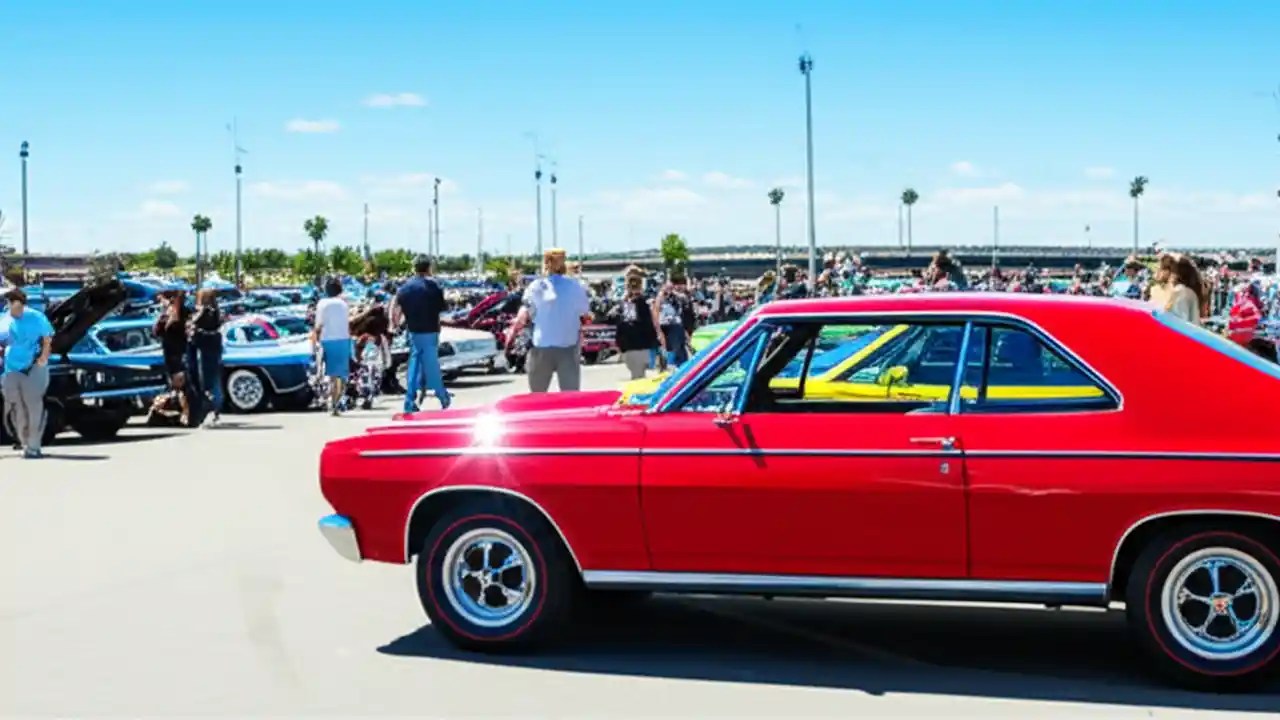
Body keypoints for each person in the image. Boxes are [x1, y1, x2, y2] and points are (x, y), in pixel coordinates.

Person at [507, 248, 591, 392]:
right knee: (570, 397)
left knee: (537, 396)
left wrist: (511, 337)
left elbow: (525, 314)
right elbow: (585, 314)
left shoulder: (536, 287)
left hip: (541, 345)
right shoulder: (575, 287)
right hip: (568, 346)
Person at [392, 255, 450, 412]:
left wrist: (395, 324)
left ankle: (409, 400)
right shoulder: (434, 287)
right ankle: (442, 396)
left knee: (414, 365)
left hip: (413, 331)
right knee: (432, 364)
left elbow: (395, 307)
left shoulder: (405, 288)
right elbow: (442, 309)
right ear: (428, 268)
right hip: (430, 330)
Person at [1, 288, 53, 458]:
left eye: (11, 303)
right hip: (11, 370)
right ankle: (24, 442)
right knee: (17, 408)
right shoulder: (5, 319)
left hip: (32, 368)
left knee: (34, 406)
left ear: (20, 303)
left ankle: (34, 445)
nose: (9, 307)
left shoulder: (36, 317)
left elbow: (47, 339)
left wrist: (43, 358)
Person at [312, 277, 352, 415]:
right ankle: (336, 402)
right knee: (341, 375)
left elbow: (318, 325)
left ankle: (331, 402)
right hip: (343, 339)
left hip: (327, 340)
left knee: (330, 375)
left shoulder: (322, 303)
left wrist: (314, 340)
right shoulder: (344, 303)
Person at [612, 270, 663, 380]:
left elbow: (620, 324)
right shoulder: (642, 303)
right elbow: (648, 324)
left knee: (635, 375)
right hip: (641, 344)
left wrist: (618, 342)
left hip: (627, 345)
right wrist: (655, 341)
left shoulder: (623, 304)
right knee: (639, 377)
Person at [153, 290, 191, 426]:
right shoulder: (169, 313)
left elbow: (158, 331)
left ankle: (185, 413)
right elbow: (157, 332)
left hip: (177, 351)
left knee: (179, 384)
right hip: (173, 351)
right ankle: (181, 412)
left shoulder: (179, 313)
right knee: (177, 384)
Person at [189, 288, 224, 427]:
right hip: (213, 347)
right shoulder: (216, 311)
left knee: (208, 380)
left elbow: (196, 322)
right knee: (214, 379)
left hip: (205, 348)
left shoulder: (207, 311)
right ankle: (215, 411)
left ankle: (211, 410)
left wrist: (199, 313)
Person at [655, 272, 696, 367]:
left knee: (679, 353)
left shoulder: (681, 297)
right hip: (669, 326)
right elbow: (656, 310)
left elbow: (685, 304)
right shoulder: (662, 296)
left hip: (678, 327)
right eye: (676, 284)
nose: (678, 286)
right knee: (672, 353)